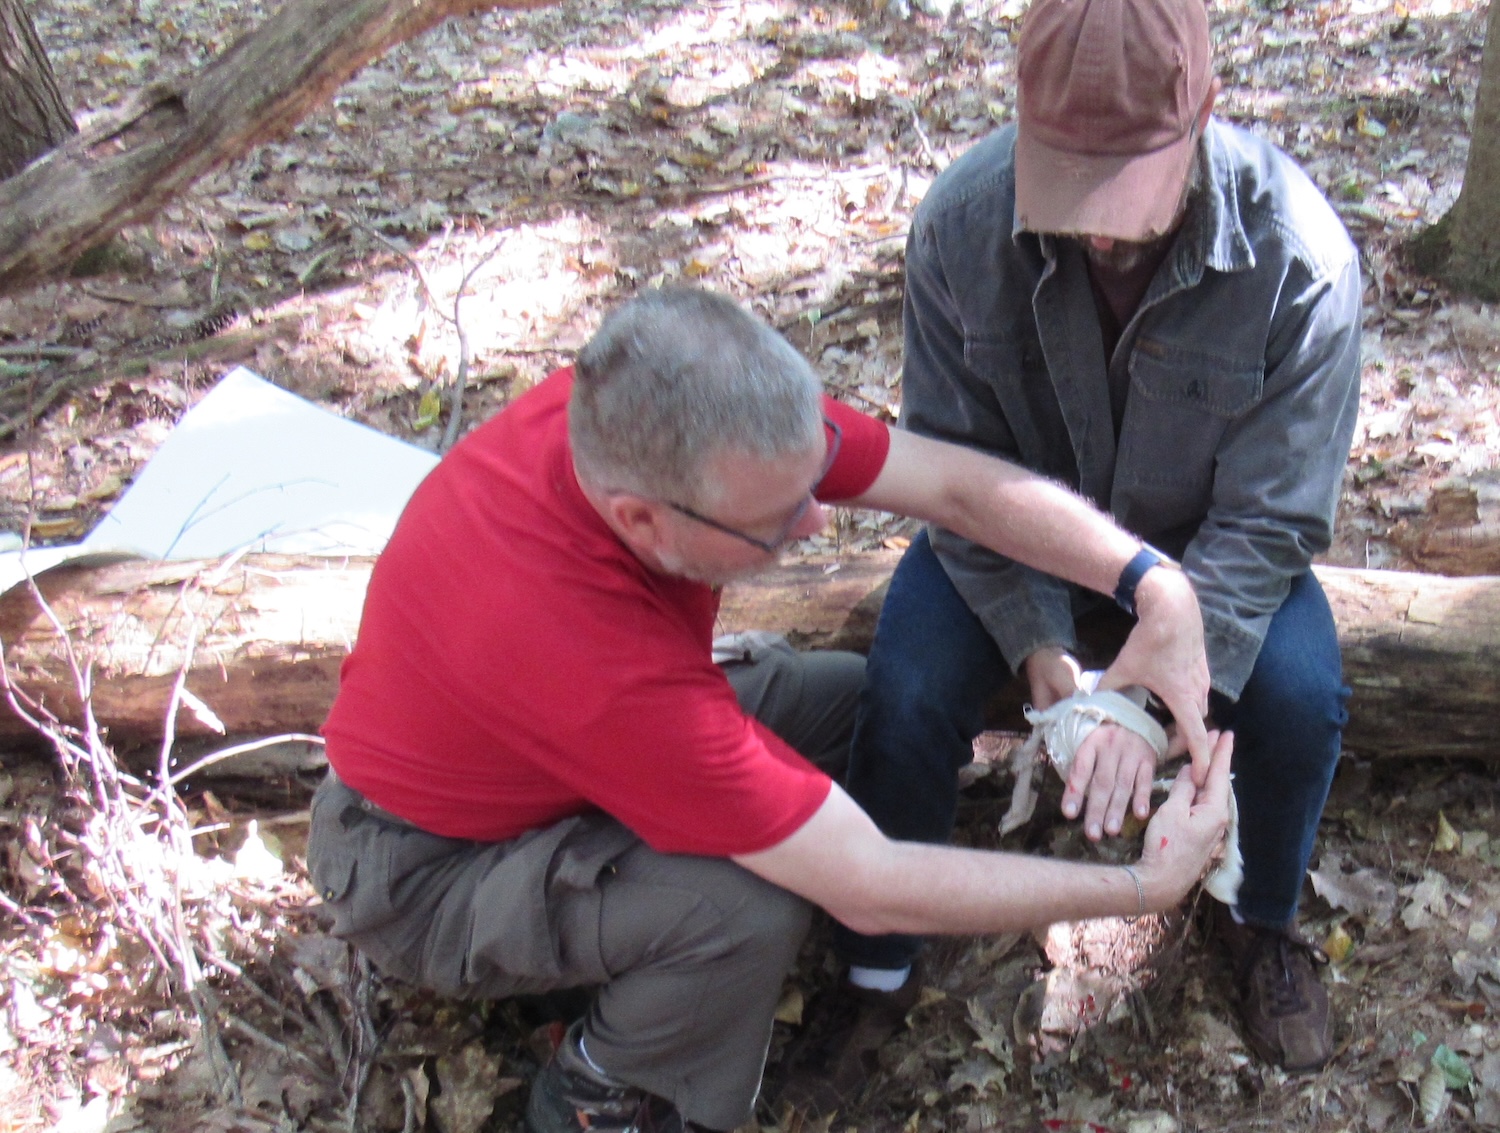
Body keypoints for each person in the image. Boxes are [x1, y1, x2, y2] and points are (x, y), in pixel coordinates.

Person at [307, 286, 1233, 1133]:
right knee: (744, 905)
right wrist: (1143, 889)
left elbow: (953, 487)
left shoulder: (666, 411)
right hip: (422, 872)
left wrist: (1154, 581)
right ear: (641, 520)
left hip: (535, 764)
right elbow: (868, 877)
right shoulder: (588, 658)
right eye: (775, 519)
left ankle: (665, 960)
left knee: (845, 701)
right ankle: (606, 1093)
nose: (818, 522)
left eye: (811, 485)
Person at [835, 0, 1361, 1080]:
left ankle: (1258, 919)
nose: (1103, 228)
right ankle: (873, 964)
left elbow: (1272, 522)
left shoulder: (1300, 260)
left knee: (1305, 699)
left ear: (1206, 111)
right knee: (903, 693)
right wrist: (1048, 664)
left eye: (1129, 186)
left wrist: (1149, 698)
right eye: (1073, 182)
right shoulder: (959, 227)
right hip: (1011, 545)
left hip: (1211, 554)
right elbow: (953, 478)